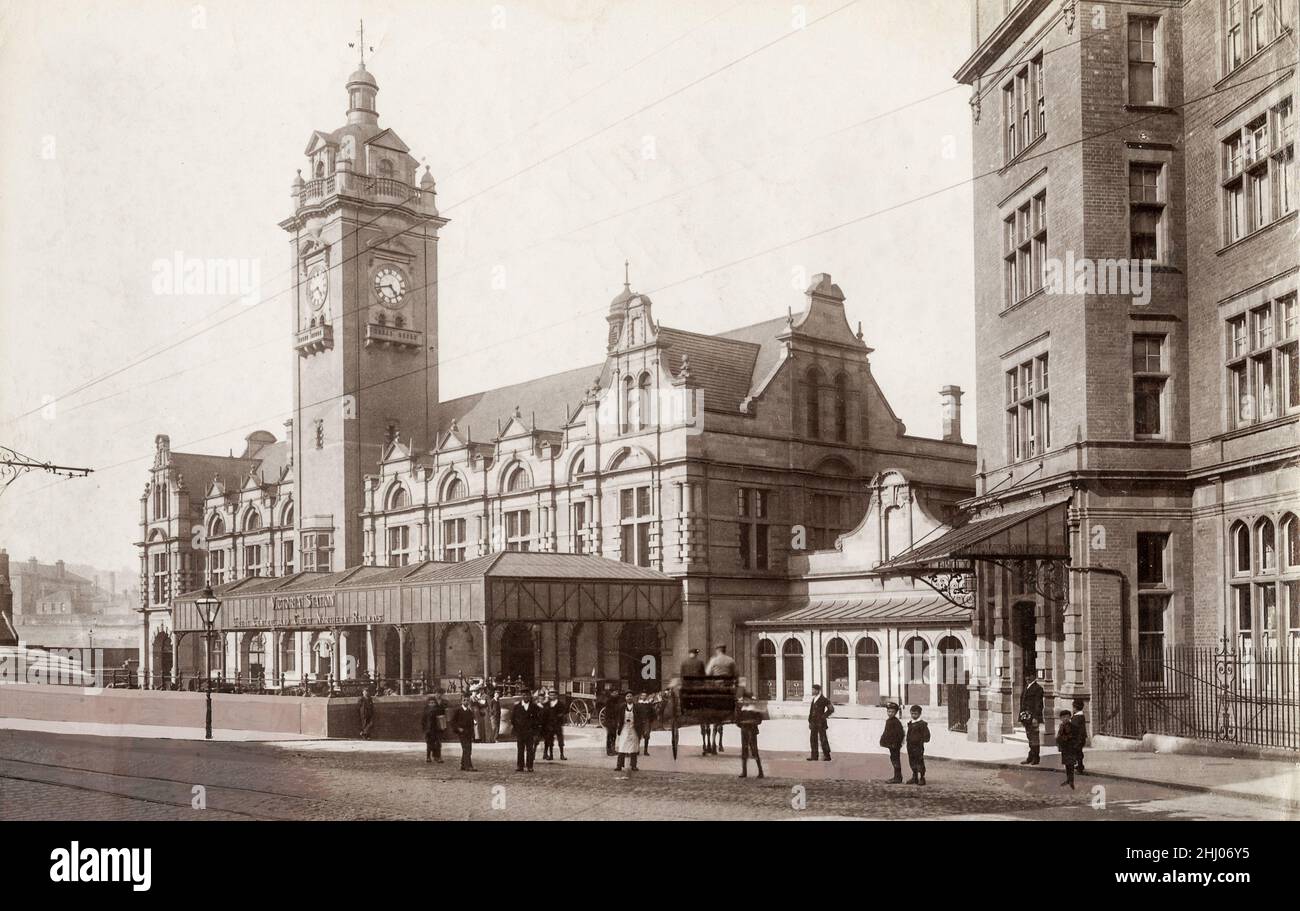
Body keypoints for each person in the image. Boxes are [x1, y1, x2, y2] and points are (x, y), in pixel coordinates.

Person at [614, 691, 650, 778]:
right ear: (625, 698)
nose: (629, 698)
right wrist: (618, 726)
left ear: (633, 698)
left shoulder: (637, 707)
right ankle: (619, 765)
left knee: (634, 748)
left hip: (633, 729)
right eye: (627, 696)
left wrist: (641, 729)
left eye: (630, 696)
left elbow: (640, 718)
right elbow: (618, 717)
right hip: (624, 729)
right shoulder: (622, 707)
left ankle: (633, 765)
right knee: (622, 746)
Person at [512, 689, 541, 772]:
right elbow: (513, 719)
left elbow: (537, 720)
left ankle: (529, 766)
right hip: (520, 732)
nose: (525, 697)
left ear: (530, 696)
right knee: (520, 749)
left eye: (527, 695)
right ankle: (520, 766)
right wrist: (517, 729)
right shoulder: (517, 707)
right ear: (522, 696)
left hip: (530, 732)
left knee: (530, 750)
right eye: (524, 695)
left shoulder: (534, 707)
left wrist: (535, 732)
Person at [1019, 673, 1044, 765]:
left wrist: (1035, 718)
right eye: (1026, 676)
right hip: (1026, 717)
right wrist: (1022, 717)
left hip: (1033, 718)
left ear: (1034, 676)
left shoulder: (1038, 689)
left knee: (1034, 738)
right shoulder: (1026, 687)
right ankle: (1031, 756)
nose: (1027, 677)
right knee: (1030, 737)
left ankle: (1036, 758)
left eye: (1030, 676)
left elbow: (1039, 705)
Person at [736, 700, 765, 779]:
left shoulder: (753, 709)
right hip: (745, 730)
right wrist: (743, 723)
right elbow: (737, 721)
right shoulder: (742, 709)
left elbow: (759, 720)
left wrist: (751, 723)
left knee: (754, 750)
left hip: (751, 730)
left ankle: (760, 771)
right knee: (744, 750)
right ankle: (744, 772)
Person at [807, 683, 834, 761]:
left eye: (813, 690)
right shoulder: (814, 699)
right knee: (813, 739)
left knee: (823, 739)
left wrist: (823, 716)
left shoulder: (824, 699)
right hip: (813, 723)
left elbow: (831, 709)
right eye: (812, 689)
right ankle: (814, 756)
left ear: (818, 690)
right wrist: (810, 721)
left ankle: (827, 756)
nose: (812, 691)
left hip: (821, 723)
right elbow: (811, 711)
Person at [879, 702, 905, 783]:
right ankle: (896, 776)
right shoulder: (889, 721)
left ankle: (898, 778)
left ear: (896, 712)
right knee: (893, 759)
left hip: (895, 745)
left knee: (895, 759)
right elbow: (886, 732)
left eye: (892, 712)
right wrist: (883, 740)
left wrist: (896, 743)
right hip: (891, 744)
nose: (890, 713)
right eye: (889, 711)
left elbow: (901, 733)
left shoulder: (896, 722)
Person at [451, 694, 477, 771]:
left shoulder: (469, 711)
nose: (466, 702)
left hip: (468, 732)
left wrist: (473, 729)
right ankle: (468, 766)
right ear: (461, 701)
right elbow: (453, 722)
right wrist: (458, 728)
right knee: (466, 748)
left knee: (468, 748)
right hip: (462, 732)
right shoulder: (458, 711)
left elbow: (471, 721)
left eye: (467, 700)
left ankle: (463, 764)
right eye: (464, 700)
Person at [906, 704, 930, 785]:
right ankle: (914, 777)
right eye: (912, 713)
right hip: (910, 746)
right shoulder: (910, 723)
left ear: (920, 714)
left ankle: (922, 777)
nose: (913, 715)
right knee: (912, 761)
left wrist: (921, 740)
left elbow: (927, 736)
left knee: (919, 761)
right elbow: (908, 734)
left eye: (915, 714)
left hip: (918, 747)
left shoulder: (922, 724)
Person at [541, 689, 567, 760]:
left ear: (556, 696)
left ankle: (562, 754)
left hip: (558, 724)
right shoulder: (547, 704)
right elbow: (544, 714)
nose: (552, 696)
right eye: (550, 695)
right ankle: (551, 755)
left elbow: (564, 712)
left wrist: (560, 716)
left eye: (553, 695)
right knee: (549, 739)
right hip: (549, 725)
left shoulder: (560, 704)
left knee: (560, 739)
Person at [1056, 709, 1078, 789]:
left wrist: (1064, 739)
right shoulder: (1061, 726)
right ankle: (1068, 779)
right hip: (1065, 748)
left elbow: (1073, 736)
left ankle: (1071, 780)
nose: (1065, 718)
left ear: (1069, 717)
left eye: (1067, 717)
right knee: (1067, 764)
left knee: (1071, 764)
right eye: (1063, 717)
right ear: (1061, 718)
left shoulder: (1071, 726)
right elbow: (1059, 735)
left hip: (1070, 748)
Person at [421, 694, 445, 763]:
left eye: (433, 703)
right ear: (428, 703)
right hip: (429, 730)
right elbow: (423, 721)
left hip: (437, 729)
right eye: (430, 703)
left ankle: (438, 757)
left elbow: (442, 717)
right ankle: (428, 757)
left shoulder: (438, 710)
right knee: (429, 744)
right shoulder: (426, 711)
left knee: (438, 744)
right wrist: (425, 730)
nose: (432, 704)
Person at [1071, 698, 1088, 774]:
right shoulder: (1081, 716)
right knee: (1078, 752)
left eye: (1073, 707)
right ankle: (1080, 765)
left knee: (1077, 752)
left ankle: (1080, 766)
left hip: (1077, 738)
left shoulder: (1076, 718)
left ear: (1075, 708)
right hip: (1081, 738)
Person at [603, 687, 620, 756]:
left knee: (614, 735)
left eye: (617, 692)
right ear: (611, 693)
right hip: (610, 720)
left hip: (614, 720)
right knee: (610, 735)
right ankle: (609, 750)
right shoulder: (609, 701)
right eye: (615, 692)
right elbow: (609, 712)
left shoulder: (616, 700)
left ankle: (613, 749)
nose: (616, 693)